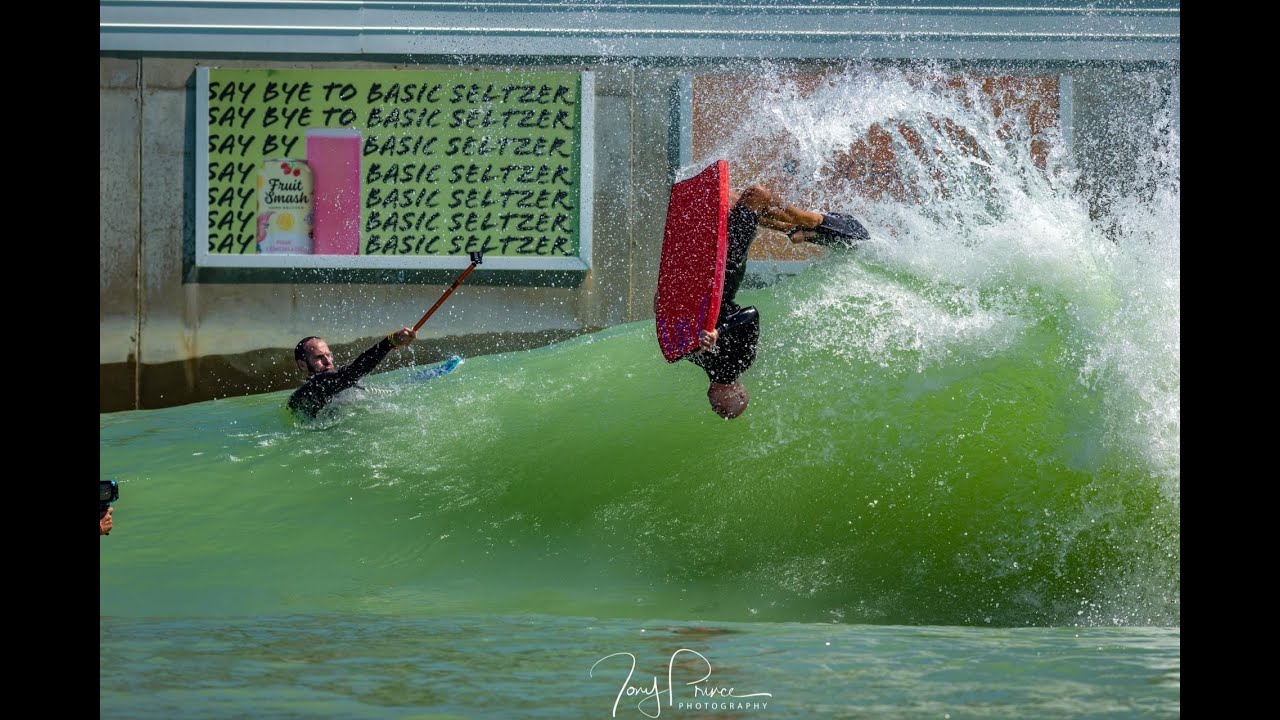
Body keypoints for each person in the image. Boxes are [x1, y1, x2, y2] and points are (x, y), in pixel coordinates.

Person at [688, 184, 871, 419]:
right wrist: (718, 332)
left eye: (717, 409)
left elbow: (683, 335)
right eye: (723, 407)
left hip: (711, 277)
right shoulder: (737, 364)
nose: (715, 407)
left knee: (732, 204)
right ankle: (805, 220)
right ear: (739, 393)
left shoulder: (706, 364)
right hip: (727, 270)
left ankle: (798, 230)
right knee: (756, 195)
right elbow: (751, 315)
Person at [288, 327, 418, 419]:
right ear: (302, 365)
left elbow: (355, 369)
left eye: (328, 355)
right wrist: (390, 342)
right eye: (319, 357)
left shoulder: (339, 379)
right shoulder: (313, 386)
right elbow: (354, 372)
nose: (328, 361)